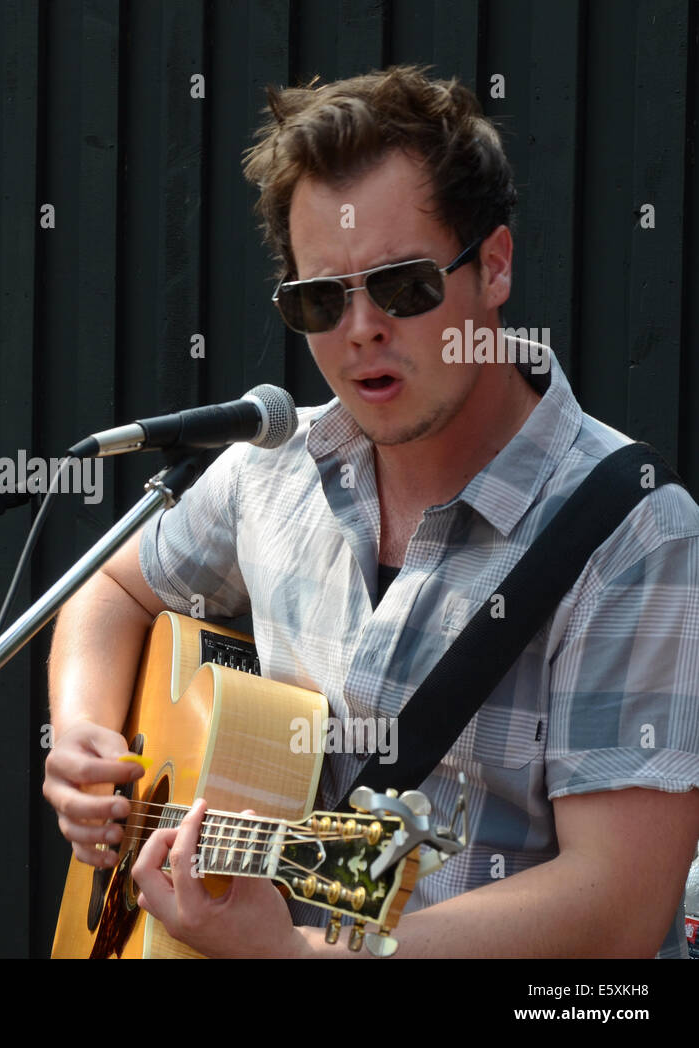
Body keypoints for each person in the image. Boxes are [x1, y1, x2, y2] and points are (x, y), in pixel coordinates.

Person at [43, 66, 699, 958]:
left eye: (402, 287)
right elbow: (112, 591)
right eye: (320, 299)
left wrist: (297, 956)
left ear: (495, 265)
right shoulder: (273, 468)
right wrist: (85, 738)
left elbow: (616, 903)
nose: (360, 330)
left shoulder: (635, 532)